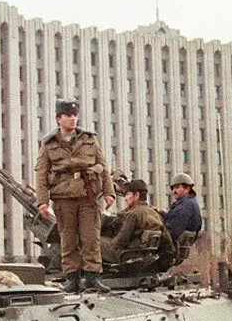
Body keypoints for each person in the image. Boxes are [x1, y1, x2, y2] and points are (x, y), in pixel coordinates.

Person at [35, 98, 115, 294]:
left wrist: (108, 192)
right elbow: (41, 173)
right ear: (58, 118)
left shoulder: (89, 139)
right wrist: (42, 202)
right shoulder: (48, 145)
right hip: (63, 198)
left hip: (88, 195)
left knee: (91, 238)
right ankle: (72, 277)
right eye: (68, 115)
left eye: (74, 115)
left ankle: (93, 277)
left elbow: (103, 167)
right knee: (68, 239)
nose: (73, 119)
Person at [100, 179, 174, 268]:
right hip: (145, 255)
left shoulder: (133, 214)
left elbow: (121, 241)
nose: (125, 199)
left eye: (127, 194)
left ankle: (91, 273)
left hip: (128, 255)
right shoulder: (155, 213)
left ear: (136, 195)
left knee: (93, 241)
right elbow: (168, 241)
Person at [161, 173, 202, 244]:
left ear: (187, 189)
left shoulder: (186, 205)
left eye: (177, 187)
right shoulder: (188, 203)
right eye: (173, 188)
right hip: (177, 247)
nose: (174, 191)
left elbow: (174, 230)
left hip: (172, 248)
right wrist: (160, 213)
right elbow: (174, 219)